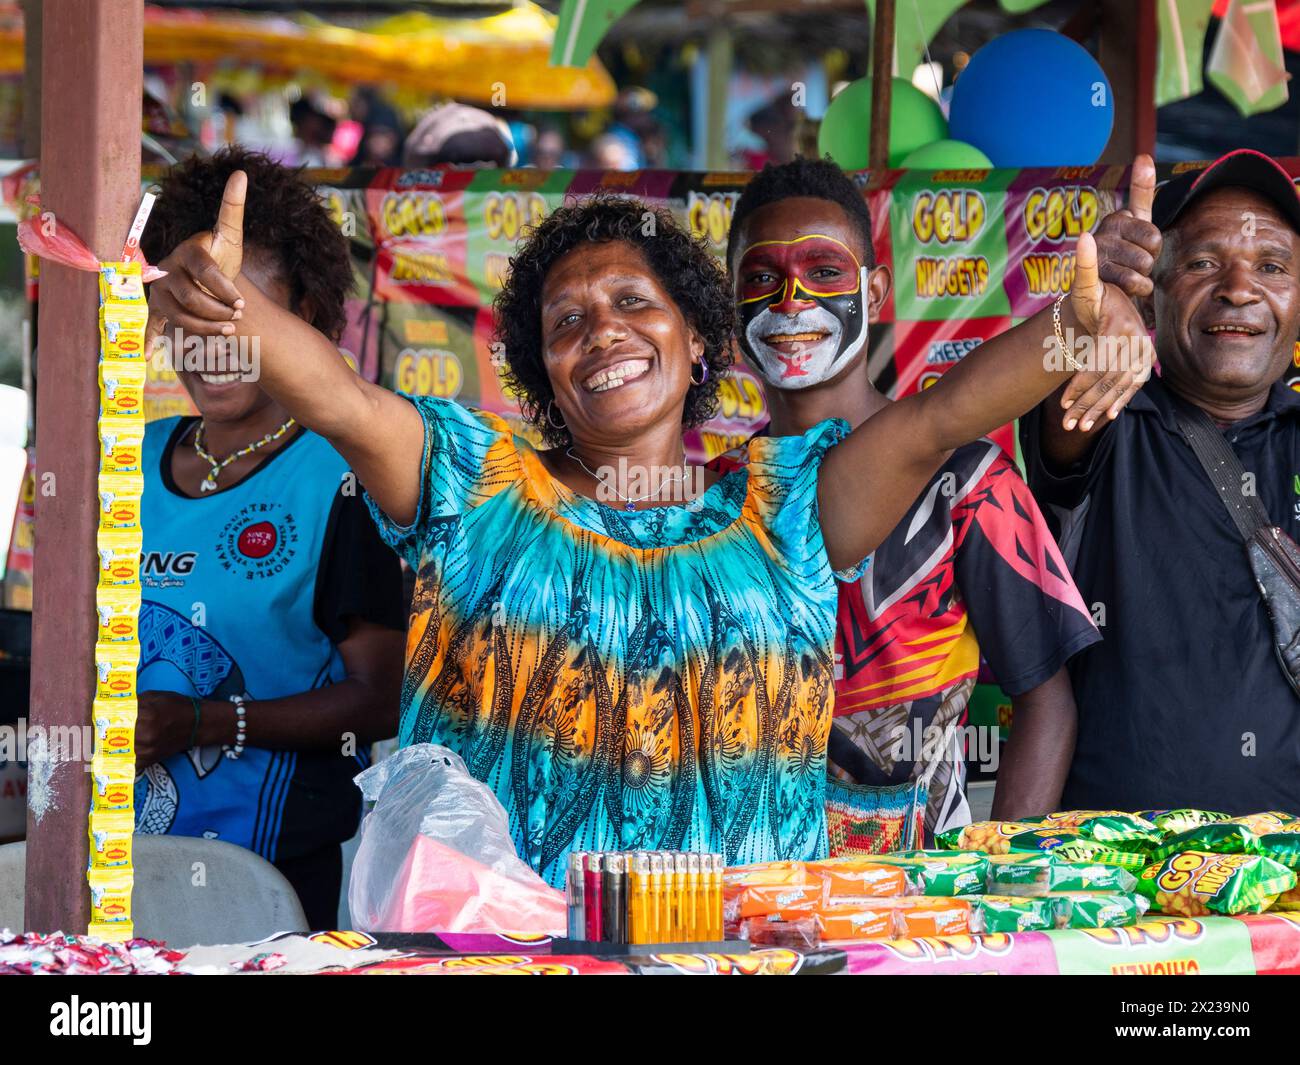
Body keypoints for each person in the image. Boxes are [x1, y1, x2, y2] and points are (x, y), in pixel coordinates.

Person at [145, 175, 1147, 886]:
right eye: (566, 322)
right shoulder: (473, 488)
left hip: (742, 956)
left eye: (633, 302)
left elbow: (938, 421)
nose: (602, 332)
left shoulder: (788, 509)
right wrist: (227, 305)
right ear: (541, 372)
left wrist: (1073, 330)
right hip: (495, 963)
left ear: (700, 338)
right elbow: (335, 397)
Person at [718, 158, 1102, 847]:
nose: (790, 300)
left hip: (919, 909)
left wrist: (994, 888)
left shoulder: (969, 482)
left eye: (824, 271)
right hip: (753, 895)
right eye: (761, 278)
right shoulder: (717, 496)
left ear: (876, 289)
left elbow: (1046, 701)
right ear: (730, 304)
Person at [136, 148, 407, 927]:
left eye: (242, 314)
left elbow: (382, 699)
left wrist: (205, 722)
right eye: (189, 313)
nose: (211, 342)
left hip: (271, 880)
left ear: (306, 323)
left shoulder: (340, 476)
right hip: (115, 866)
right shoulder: (121, 456)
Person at [1021, 149, 1300, 816]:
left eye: (1271, 266)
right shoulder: (1109, 417)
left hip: (1286, 898)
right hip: (1121, 893)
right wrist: (1099, 312)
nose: (1238, 288)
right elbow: (1068, 400)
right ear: (1157, 285)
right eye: (1203, 262)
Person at [403, 102, 516, 168]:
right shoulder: (482, 116)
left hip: (444, 148)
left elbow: (412, 153)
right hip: (492, 144)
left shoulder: (438, 116)